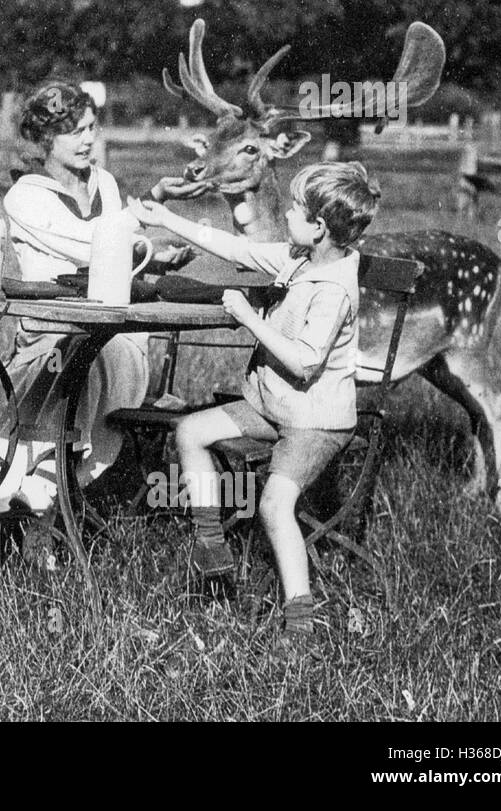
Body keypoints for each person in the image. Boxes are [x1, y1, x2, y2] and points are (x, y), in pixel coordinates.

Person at [127, 161, 381, 646]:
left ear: (319, 227)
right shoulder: (302, 259)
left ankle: (300, 623)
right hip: (274, 406)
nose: (284, 211)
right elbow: (237, 247)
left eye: (295, 208)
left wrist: (248, 316)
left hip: (315, 422)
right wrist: (165, 219)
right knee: (189, 432)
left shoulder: (333, 289)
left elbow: (306, 364)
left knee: (273, 504)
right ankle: (211, 545)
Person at [0, 82, 191, 524]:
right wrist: (152, 211)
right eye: (74, 131)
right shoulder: (24, 197)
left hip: (115, 333)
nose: (88, 140)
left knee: (96, 356)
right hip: (48, 336)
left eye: (91, 128)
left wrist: (154, 261)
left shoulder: (104, 183)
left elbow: (116, 254)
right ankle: (38, 495)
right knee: (71, 364)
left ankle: (45, 494)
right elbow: (95, 246)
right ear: (47, 138)